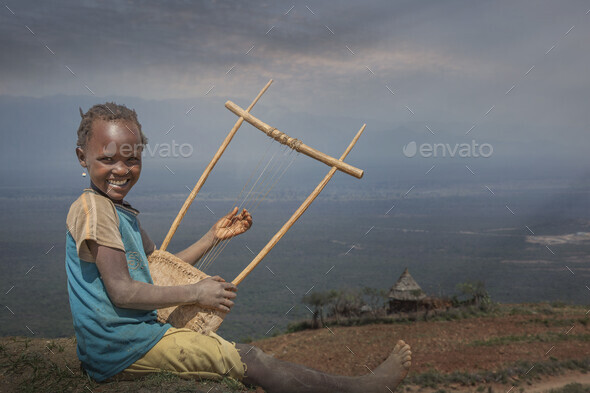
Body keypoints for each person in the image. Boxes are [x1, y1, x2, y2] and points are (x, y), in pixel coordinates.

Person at [65, 102, 412, 393]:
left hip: (130, 338)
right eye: (107, 160)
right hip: (122, 348)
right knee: (250, 358)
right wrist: (196, 293)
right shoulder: (94, 210)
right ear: (83, 157)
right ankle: (364, 388)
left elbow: (156, 266)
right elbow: (123, 292)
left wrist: (212, 237)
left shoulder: (116, 211)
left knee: (246, 354)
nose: (121, 170)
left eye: (132, 159)